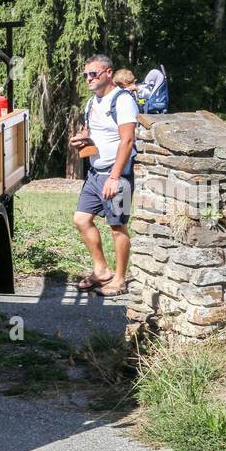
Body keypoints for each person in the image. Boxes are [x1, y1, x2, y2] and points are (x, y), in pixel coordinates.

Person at [68, 54, 139, 297]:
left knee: (118, 227)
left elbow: (128, 140)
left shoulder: (123, 101)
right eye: (86, 75)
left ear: (108, 72)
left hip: (116, 175)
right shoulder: (92, 103)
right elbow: (91, 131)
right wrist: (82, 138)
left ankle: (119, 279)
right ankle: (102, 270)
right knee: (81, 219)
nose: (88, 79)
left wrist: (115, 177)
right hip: (95, 174)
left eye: (93, 74)